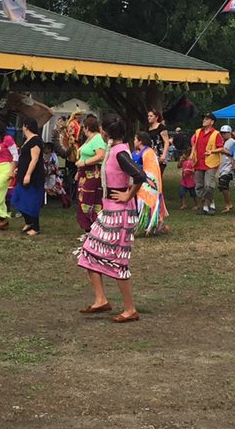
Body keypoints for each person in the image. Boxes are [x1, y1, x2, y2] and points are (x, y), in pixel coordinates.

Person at [76, 114, 145, 323]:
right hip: (109, 210)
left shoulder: (120, 153)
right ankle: (101, 299)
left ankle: (130, 309)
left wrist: (128, 194)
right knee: (88, 251)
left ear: (104, 131)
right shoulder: (113, 149)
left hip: (120, 213)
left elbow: (139, 175)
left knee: (117, 260)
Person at [11, 120, 46, 237]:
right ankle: (28, 222)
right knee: (17, 198)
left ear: (26, 126)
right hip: (22, 174)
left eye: (23, 125)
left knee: (31, 201)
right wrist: (19, 169)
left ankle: (35, 227)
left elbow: (34, 159)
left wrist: (28, 174)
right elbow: (24, 158)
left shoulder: (36, 140)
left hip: (33, 177)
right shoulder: (27, 141)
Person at [132, 130, 168, 235]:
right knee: (137, 205)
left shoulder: (149, 152)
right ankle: (144, 226)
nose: (133, 141)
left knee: (146, 204)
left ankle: (150, 226)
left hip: (146, 183)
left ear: (140, 141)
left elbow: (152, 169)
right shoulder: (134, 153)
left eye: (135, 139)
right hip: (136, 181)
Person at [74, 115, 106, 232]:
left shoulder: (97, 138)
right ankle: (88, 227)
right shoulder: (90, 139)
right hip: (85, 174)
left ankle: (92, 227)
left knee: (90, 199)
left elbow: (101, 155)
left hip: (93, 173)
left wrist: (85, 163)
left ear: (87, 127)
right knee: (84, 199)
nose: (82, 130)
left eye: (83, 127)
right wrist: (79, 171)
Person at [191, 112, 225, 215]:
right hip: (198, 162)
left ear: (212, 122)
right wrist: (192, 154)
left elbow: (221, 147)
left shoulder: (216, 134)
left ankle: (207, 206)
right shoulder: (198, 132)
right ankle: (210, 203)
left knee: (208, 185)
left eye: (207, 119)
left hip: (211, 162)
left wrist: (212, 151)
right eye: (204, 118)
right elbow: (194, 144)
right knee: (198, 186)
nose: (204, 120)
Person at [216, 125, 235, 213]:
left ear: (229, 133)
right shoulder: (222, 141)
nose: (223, 134)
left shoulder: (232, 142)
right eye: (222, 133)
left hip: (228, 167)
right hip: (222, 166)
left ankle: (229, 204)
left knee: (223, 184)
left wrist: (224, 151)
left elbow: (234, 153)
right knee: (222, 186)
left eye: (225, 133)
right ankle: (227, 203)